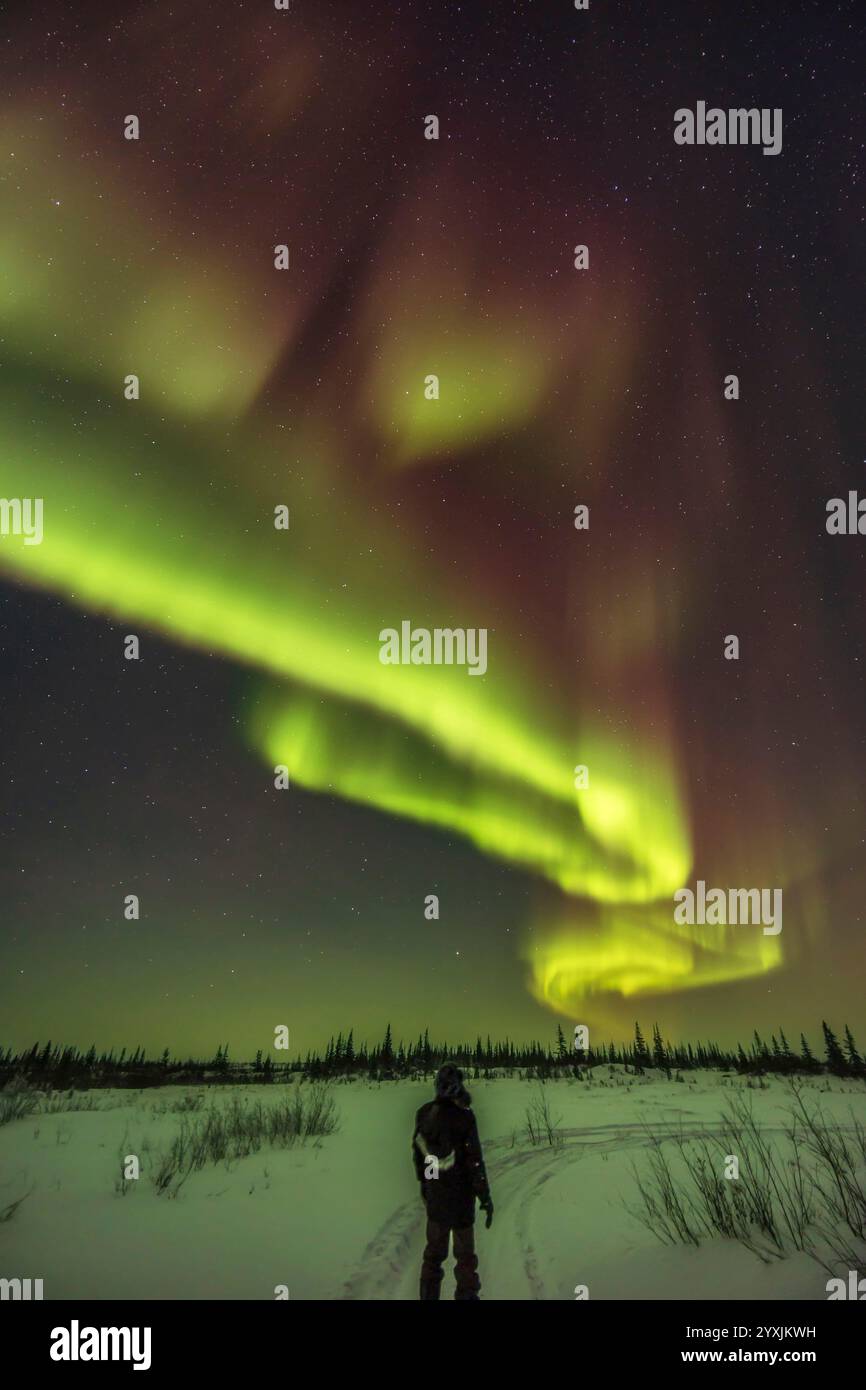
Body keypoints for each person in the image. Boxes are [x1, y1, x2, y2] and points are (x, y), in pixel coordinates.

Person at [411, 1063, 494, 1300]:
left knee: (433, 1257)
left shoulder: (424, 1114)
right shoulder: (465, 1117)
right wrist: (484, 1196)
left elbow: (420, 1157)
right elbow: (474, 1161)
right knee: (465, 1259)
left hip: (438, 1199)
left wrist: (429, 1185)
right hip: (461, 1201)